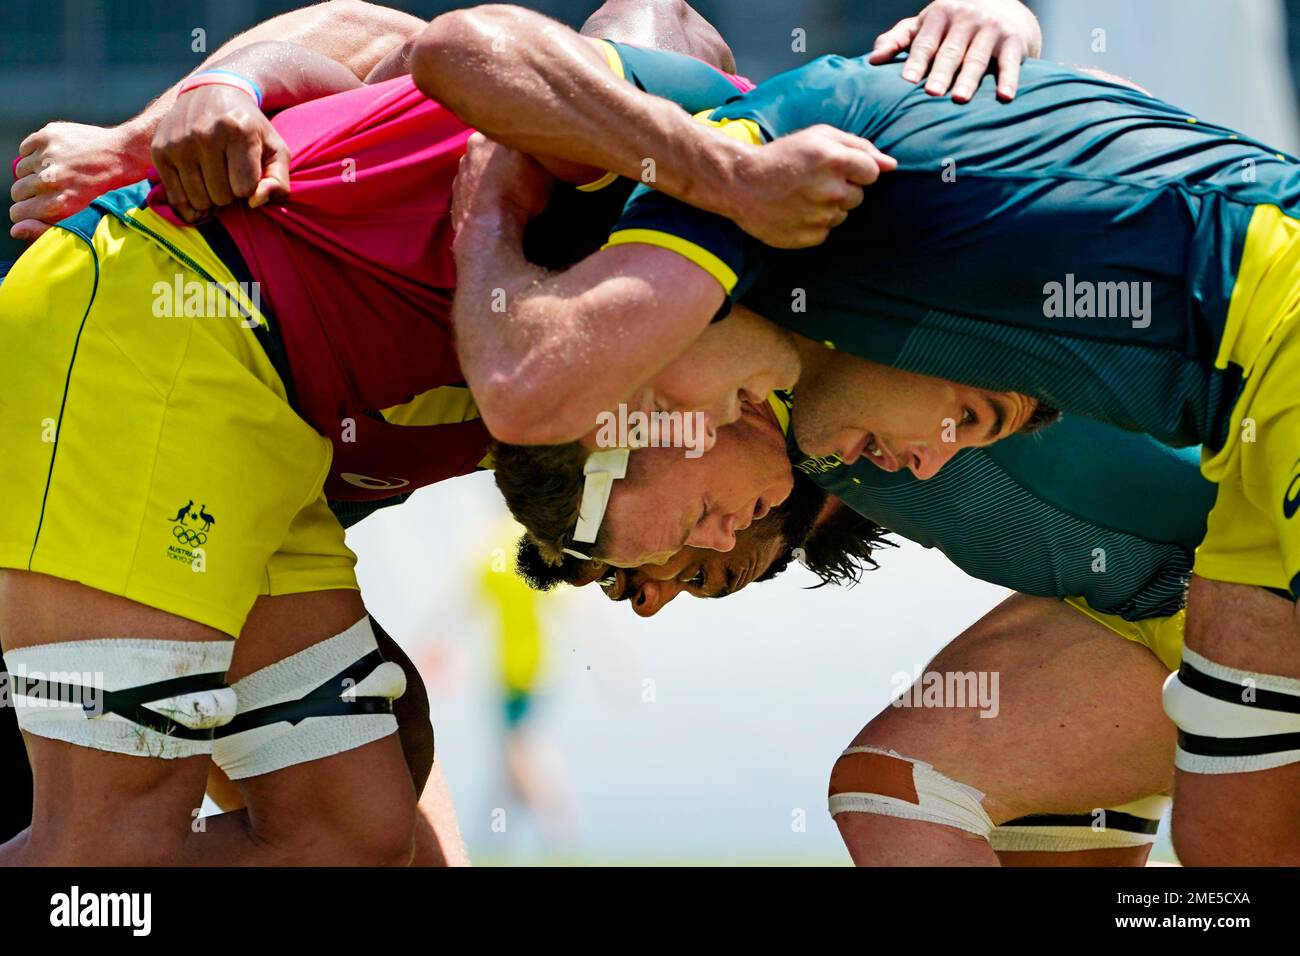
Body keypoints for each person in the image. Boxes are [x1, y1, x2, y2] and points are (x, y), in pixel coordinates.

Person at [472, 47, 1300, 863]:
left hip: (1236, 477)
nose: (671, 582)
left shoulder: (774, 200)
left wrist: (486, 216)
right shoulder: (810, 415)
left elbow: (548, 46)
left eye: (680, 539)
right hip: (1186, 576)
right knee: (919, 800)